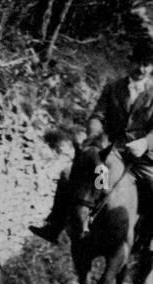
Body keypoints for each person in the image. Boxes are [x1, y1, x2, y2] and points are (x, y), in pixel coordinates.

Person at [31, 42, 153, 244]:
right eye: (138, 63)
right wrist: (96, 135)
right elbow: (97, 115)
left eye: (147, 65)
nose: (141, 69)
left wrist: (144, 143)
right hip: (107, 152)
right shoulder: (113, 88)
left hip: (139, 156)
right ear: (130, 63)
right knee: (69, 174)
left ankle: (148, 238)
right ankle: (56, 224)